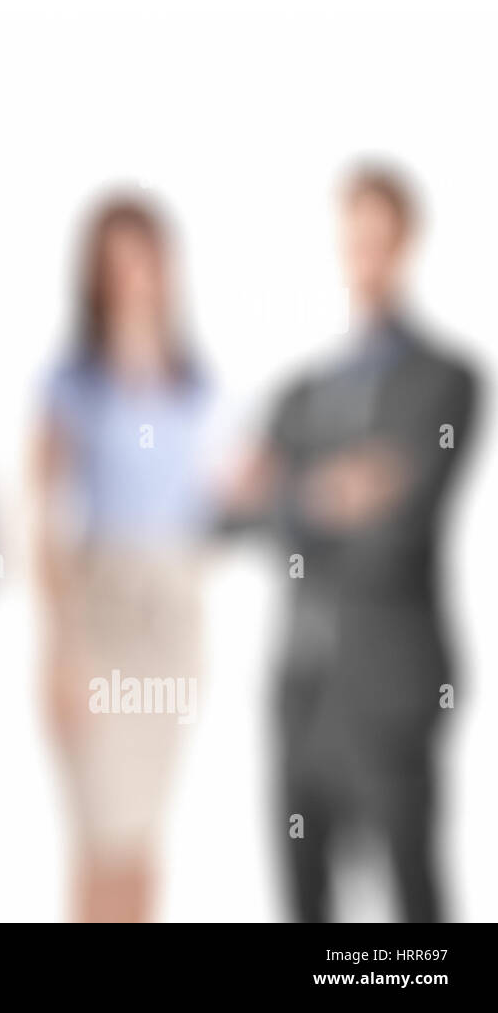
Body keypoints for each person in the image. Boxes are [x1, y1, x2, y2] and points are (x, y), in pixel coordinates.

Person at [220, 163, 480, 922]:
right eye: (353, 241)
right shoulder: (303, 393)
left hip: (392, 685)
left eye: (380, 241)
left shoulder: (446, 380)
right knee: (306, 904)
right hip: (301, 690)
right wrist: (334, 489)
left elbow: (397, 531)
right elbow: (228, 516)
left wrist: (286, 492)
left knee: (412, 913)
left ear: (405, 245)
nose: (365, 259)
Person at [28, 194, 215, 922]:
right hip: (101, 611)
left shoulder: (191, 381)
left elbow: (205, 503)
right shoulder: (73, 382)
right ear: (98, 277)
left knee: (142, 839)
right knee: (100, 835)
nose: (134, 279)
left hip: (173, 617)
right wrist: (61, 648)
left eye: (145, 262)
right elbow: (42, 517)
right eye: (118, 266)